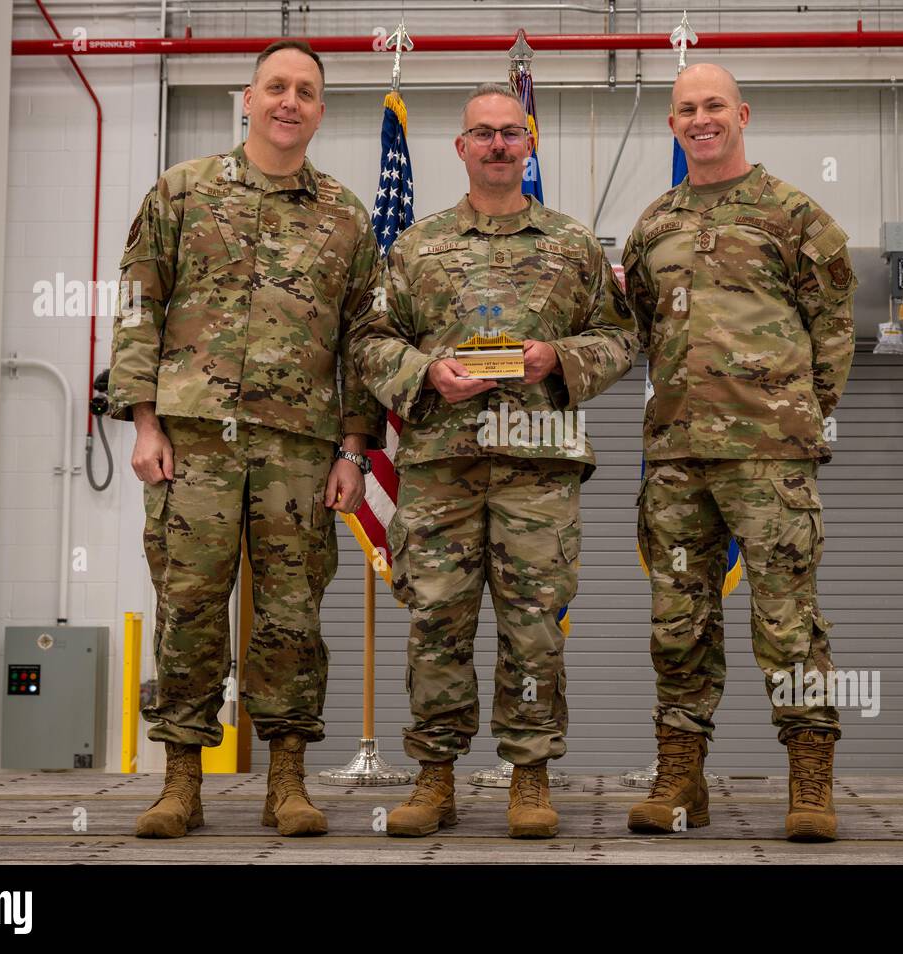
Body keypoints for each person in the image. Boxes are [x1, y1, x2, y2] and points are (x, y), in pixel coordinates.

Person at [108, 40, 384, 838]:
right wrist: (144, 422)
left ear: (320, 111)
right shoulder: (183, 192)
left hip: (301, 451)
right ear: (248, 98)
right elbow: (137, 304)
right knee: (188, 607)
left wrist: (355, 449)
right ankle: (181, 783)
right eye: (275, 87)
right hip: (192, 442)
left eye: (304, 90)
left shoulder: (344, 215)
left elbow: (365, 337)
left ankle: (288, 782)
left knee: (292, 616)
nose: (288, 101)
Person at [350, 83, 638, 839]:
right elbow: (370, 341)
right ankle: (435, 776)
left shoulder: (573, 245)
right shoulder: (415, 247)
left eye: (512, 133)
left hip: (538, 467)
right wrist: (426, 375)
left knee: (534, 627)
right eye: (484, 133)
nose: (499, 145)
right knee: (437, 622)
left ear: (530, 143)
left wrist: (558, 357)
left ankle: (530, 778)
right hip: (441, 465)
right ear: (462, 148)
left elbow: (620, 338)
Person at [622, 63, 857, 841]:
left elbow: (833, 326)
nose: (701, 118)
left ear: (742, 113)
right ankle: (681, 779)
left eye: (713, 104)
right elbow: (642, 328)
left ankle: (810, 778)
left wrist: (802, 417)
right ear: (673, 124)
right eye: (686, 109)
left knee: (788, 620)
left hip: (769, 458)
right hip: (677, 457)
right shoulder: (653, 223)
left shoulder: (794, 213)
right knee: (676, 621)